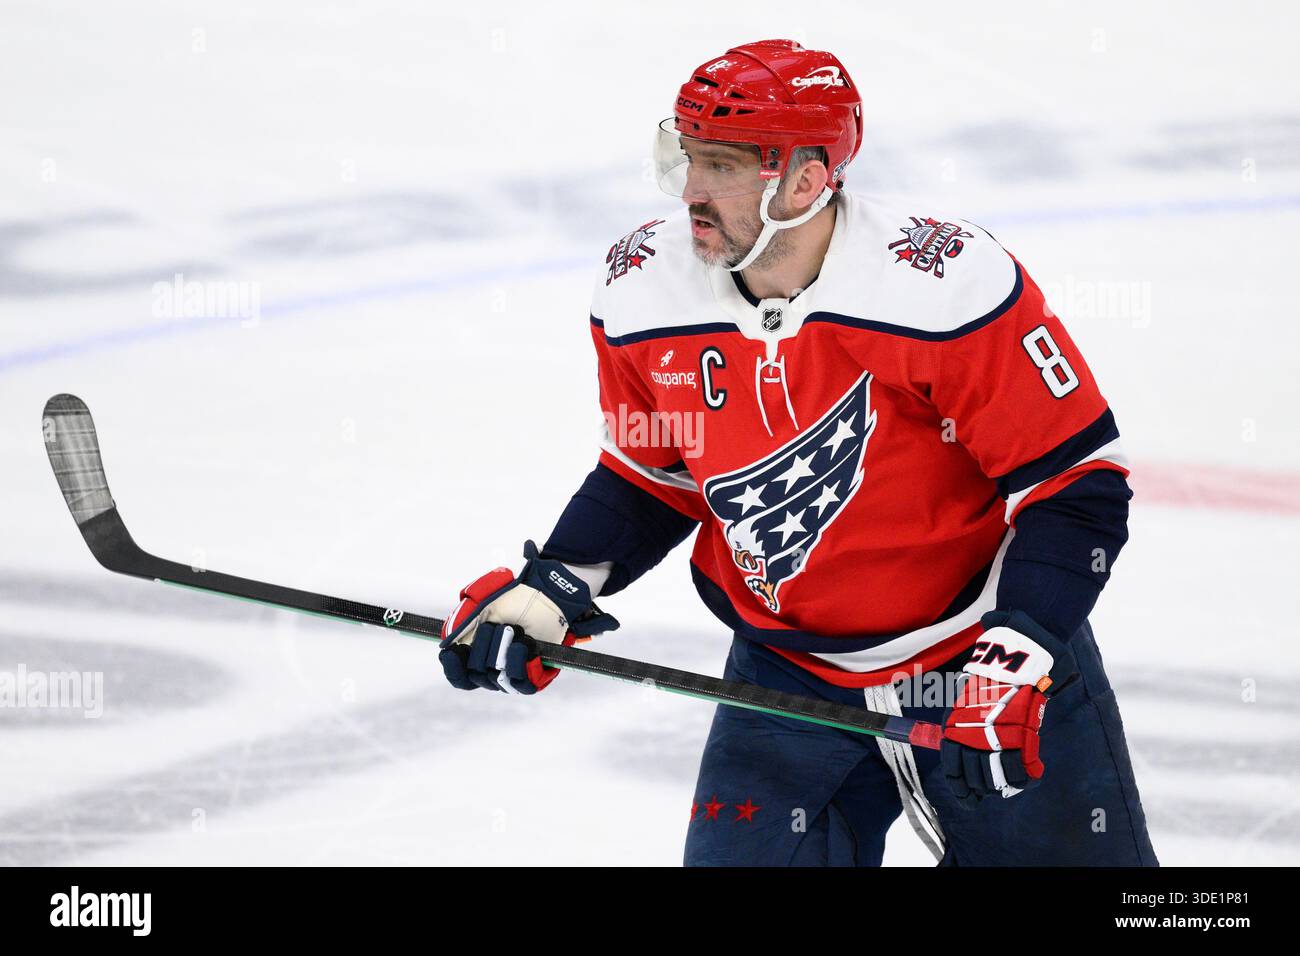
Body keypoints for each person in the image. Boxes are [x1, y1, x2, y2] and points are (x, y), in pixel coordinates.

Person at [437, 39, 1157, 867]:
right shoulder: (642, 290)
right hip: (788, 675)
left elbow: (1076, 485)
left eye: (722, 167)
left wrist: (1021, 648)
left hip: (978, 657)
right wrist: (557, 584)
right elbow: (651, 475)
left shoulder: (942, 286)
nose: (692, 194)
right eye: (685, 158)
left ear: (807, 181)